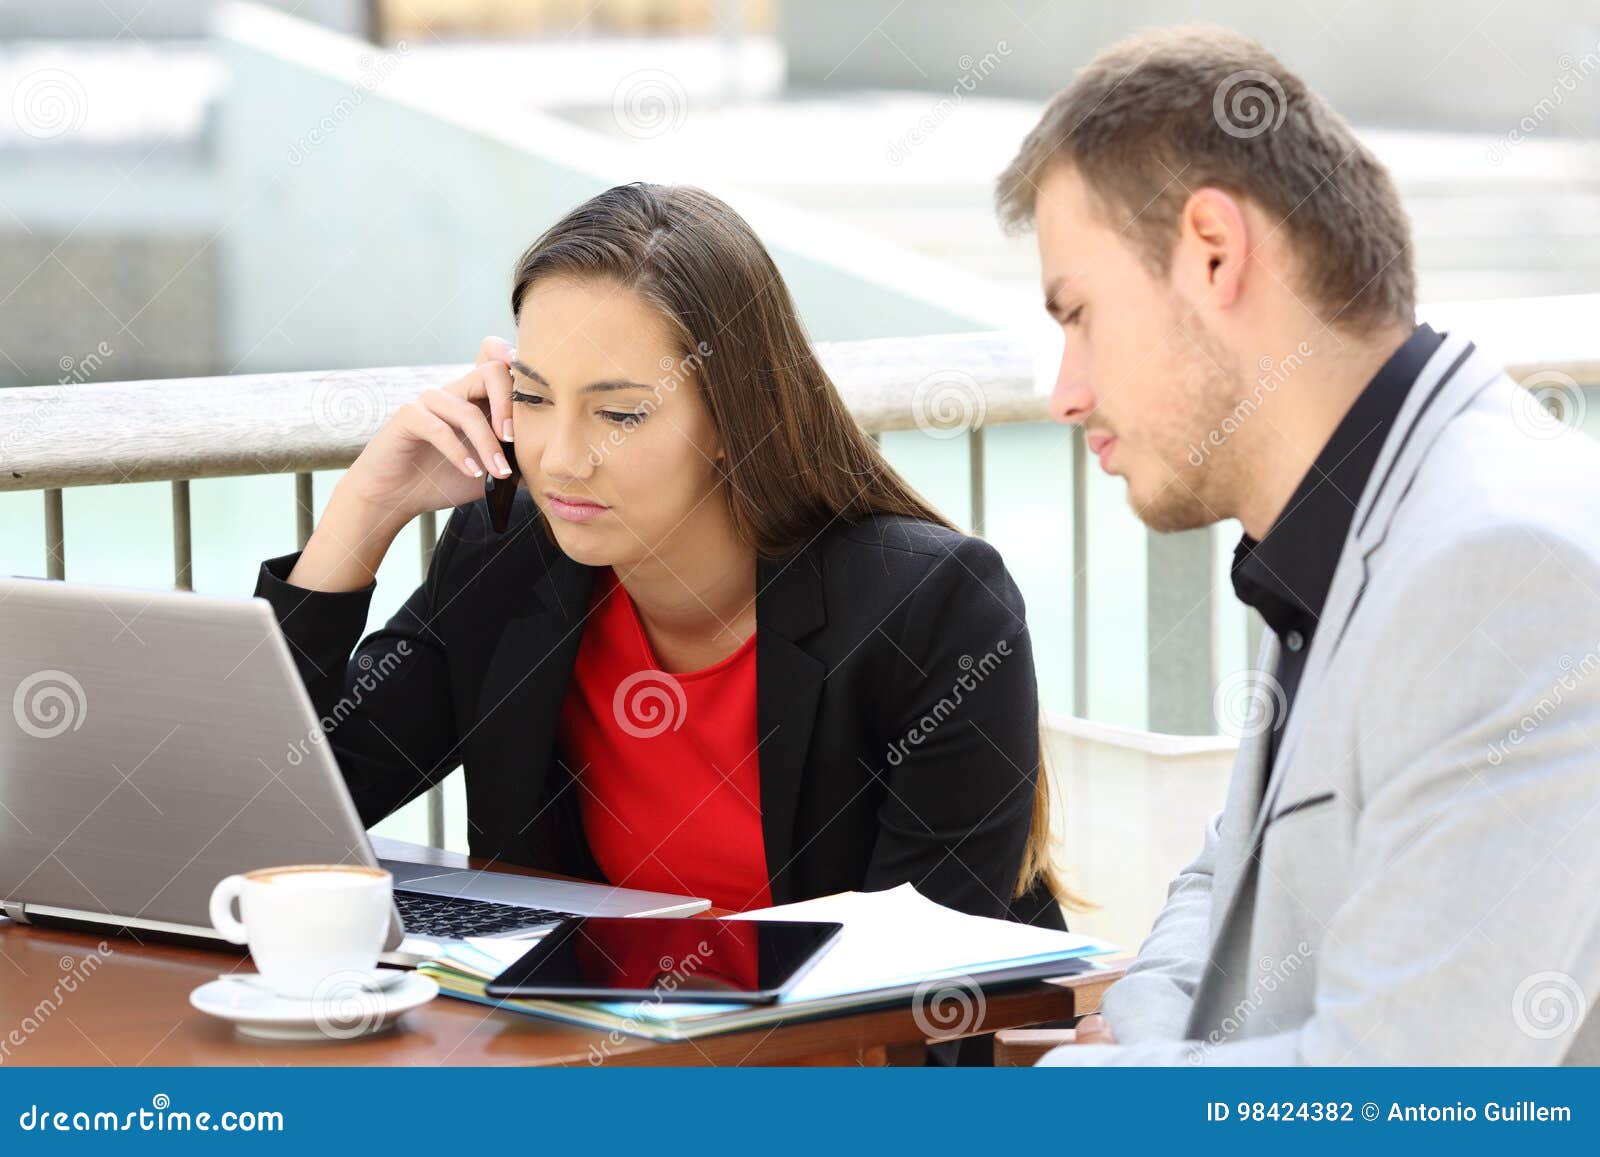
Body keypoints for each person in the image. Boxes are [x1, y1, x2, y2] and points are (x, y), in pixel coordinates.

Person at [995, 26, 1600, 1064]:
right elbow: (1226, 879)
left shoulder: (1497, 568)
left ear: (1213, 251)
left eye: (1079, 315)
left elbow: (1405, 1099)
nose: (1066, 393)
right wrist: (1147, 1044)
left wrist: (1091, 1084)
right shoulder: (1369, 518)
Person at [255, 181, 1068, 930]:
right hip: (590, 1034)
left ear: (733, 417)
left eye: (620, 414)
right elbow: (267, 819)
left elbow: (921, 977)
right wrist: (367, 511)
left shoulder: (929, 607)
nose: (562, 459)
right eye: (531, 397)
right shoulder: (505, 560)